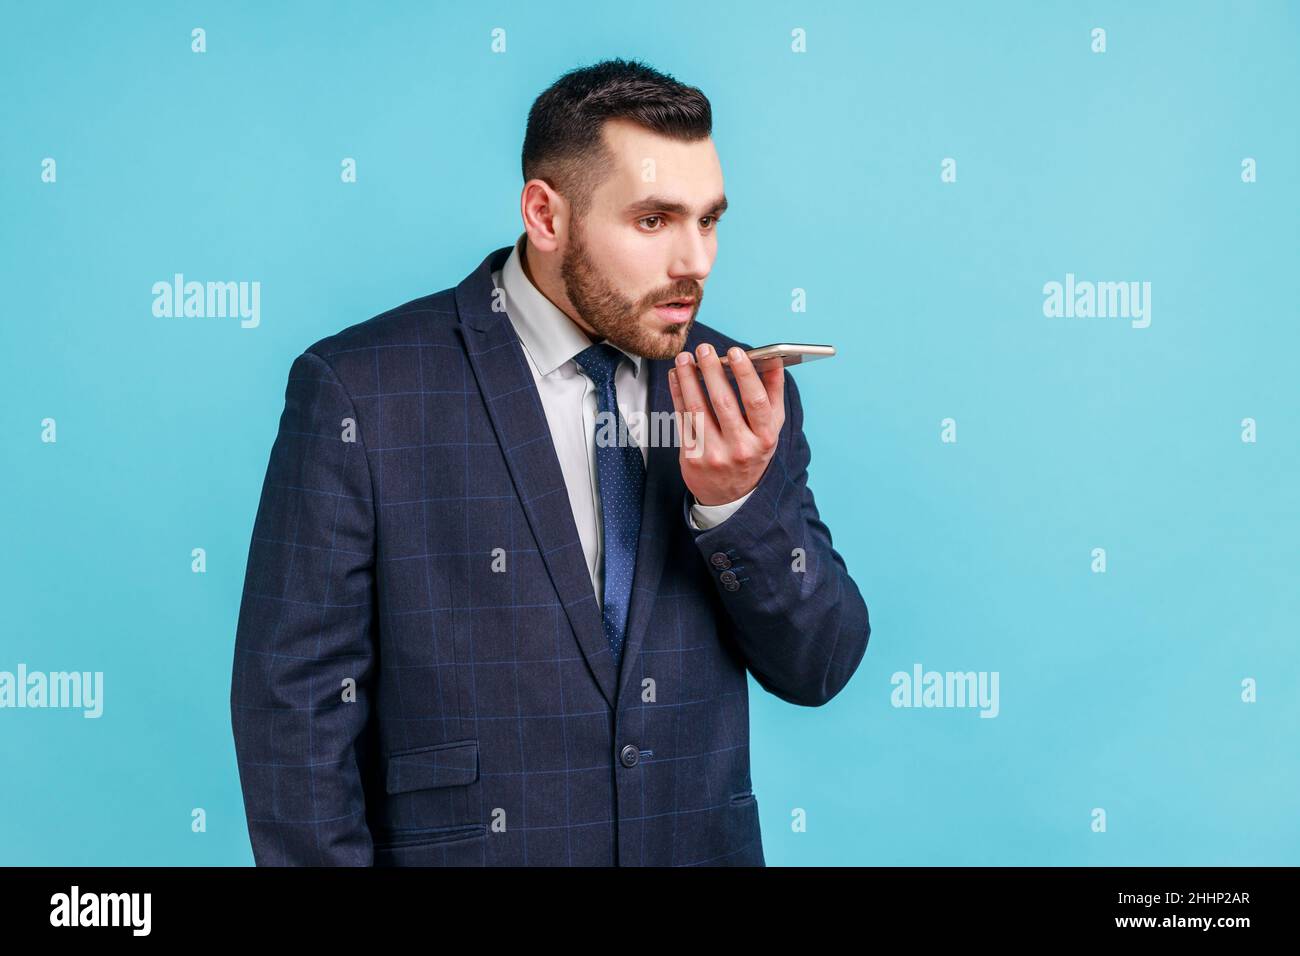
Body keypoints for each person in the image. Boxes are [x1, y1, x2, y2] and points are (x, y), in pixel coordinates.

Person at [230, 57, 870, 866]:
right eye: (653, 221)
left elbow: (821, 665)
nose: (695, 262)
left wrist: (736, 509)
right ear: (545, 214)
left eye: (708, 220)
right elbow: (293, 713)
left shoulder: (738, 389)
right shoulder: (362, 391)